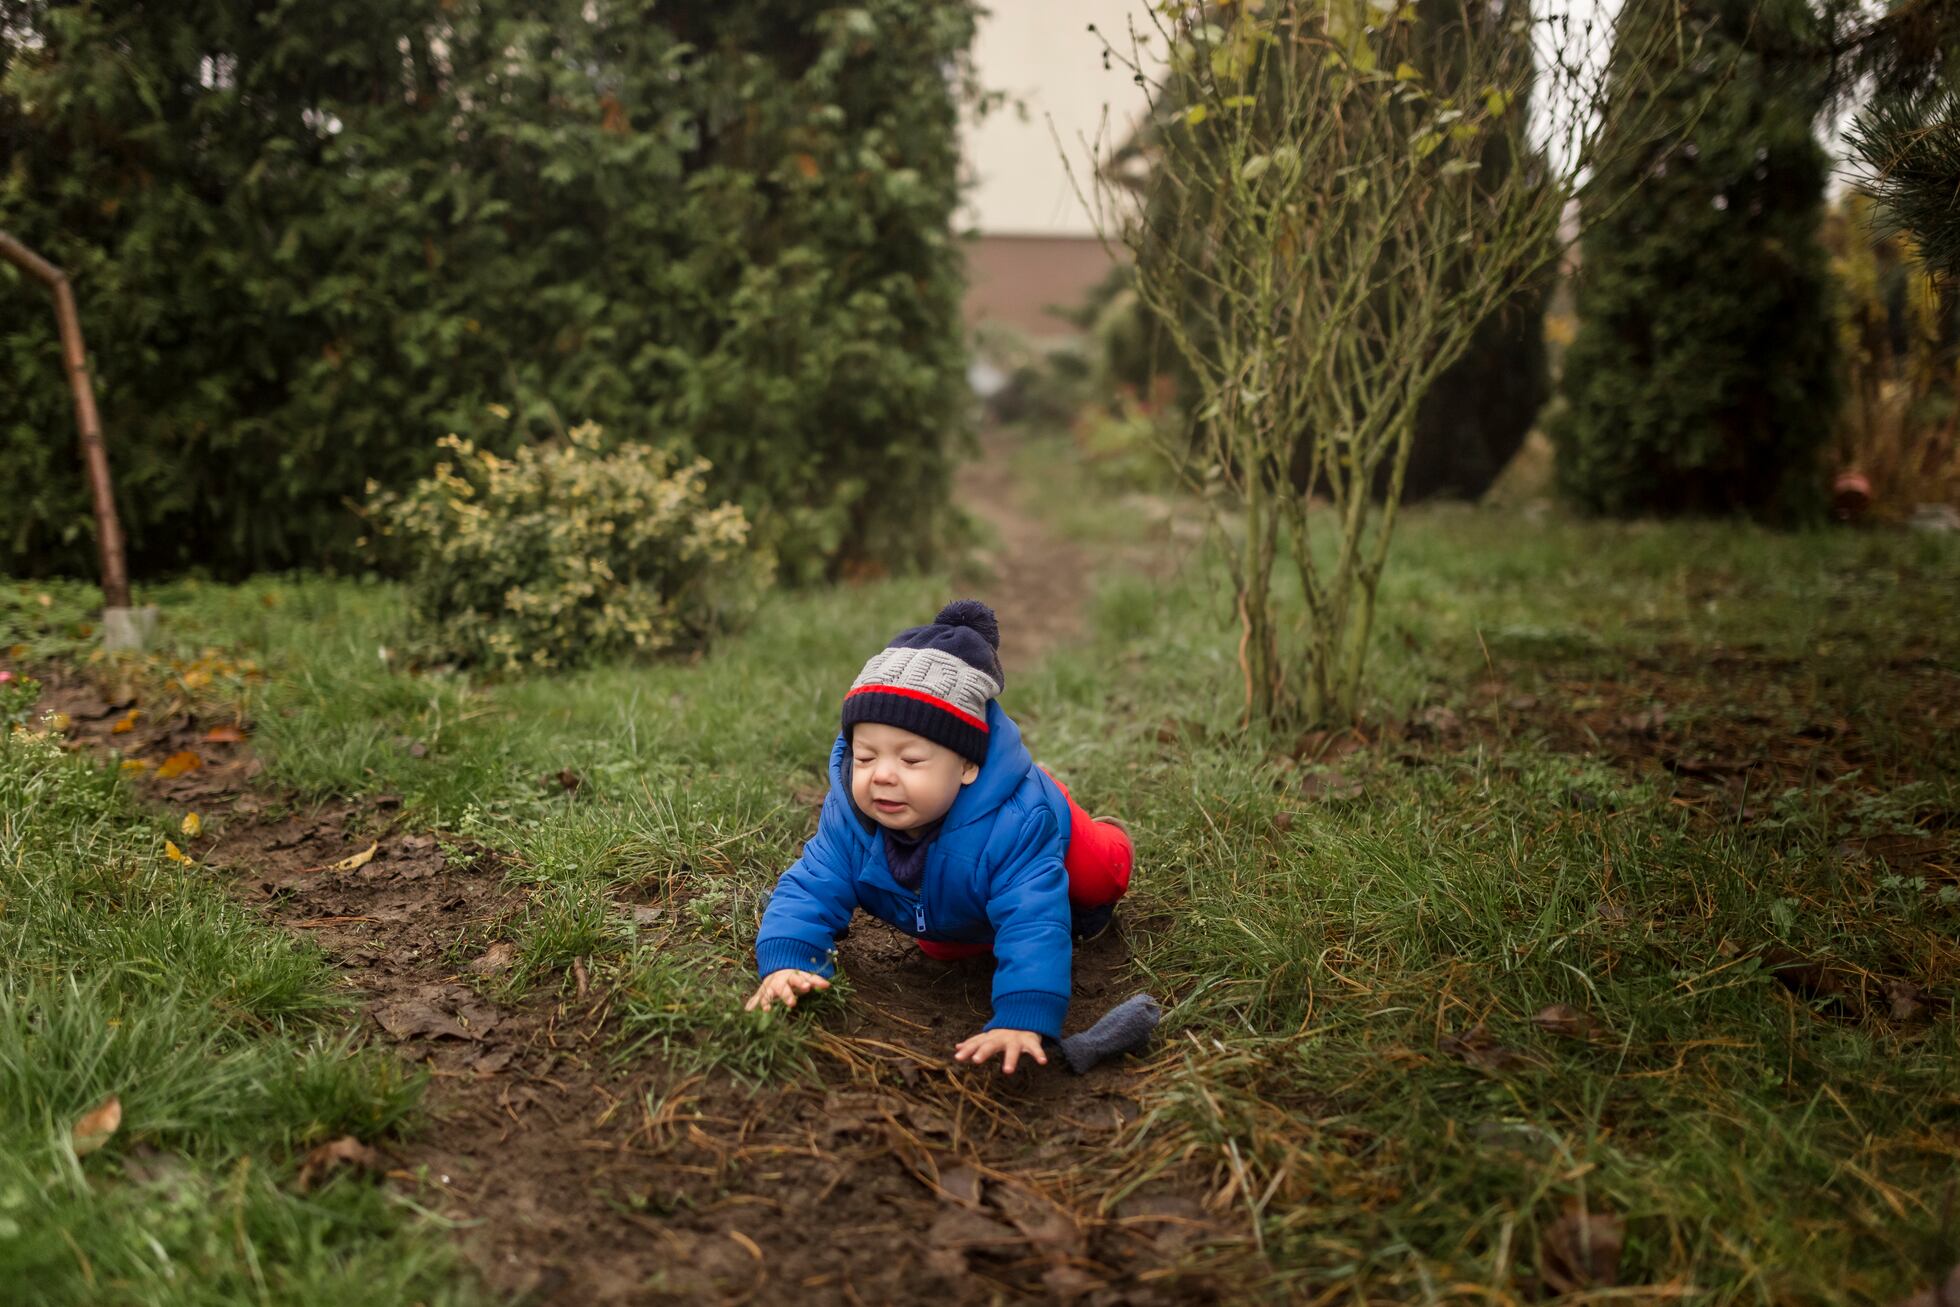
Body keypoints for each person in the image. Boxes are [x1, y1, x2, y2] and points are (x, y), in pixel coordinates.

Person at [745, 600, 1133, 1074]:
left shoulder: (1016, 824)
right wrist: (790, 958)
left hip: (1051, 825)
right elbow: (810, 886)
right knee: (947, 942)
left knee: (1096, 877)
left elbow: (1033, 921)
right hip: (953, 893)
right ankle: (984, 914)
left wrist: (1022, 1015)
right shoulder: (848, 817)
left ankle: (1107, 844)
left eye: (910, 761)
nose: (882, 775)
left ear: (968, 765)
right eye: (866, 758)